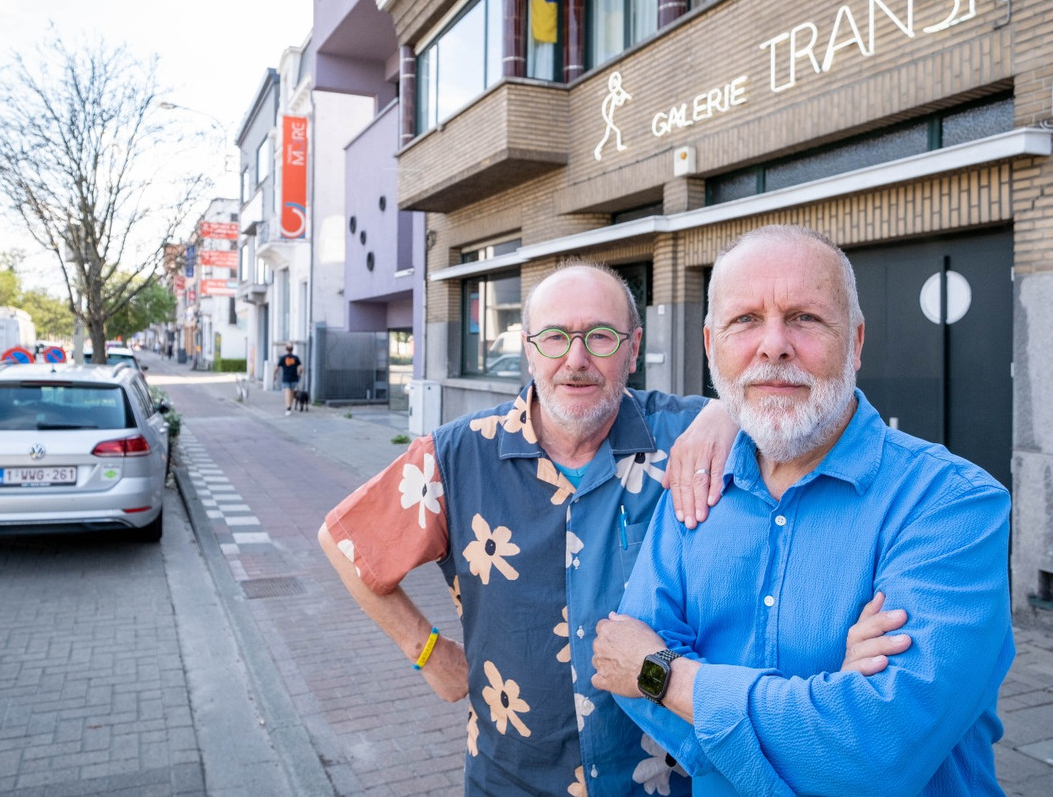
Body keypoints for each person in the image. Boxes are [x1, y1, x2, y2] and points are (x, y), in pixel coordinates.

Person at [591, 225, 1014, 796]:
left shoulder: (952, 505)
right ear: (711, 345)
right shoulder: (695, 483)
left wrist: (667, 677)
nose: (773, 345)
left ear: (857, 342)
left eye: (805, 318)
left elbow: (876, 750)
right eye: (745, 320)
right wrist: (822, 714)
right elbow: (626, 669)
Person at [319, 260, 752, 795]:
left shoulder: (688, 437)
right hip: (511, 780)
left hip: (665, 783)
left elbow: (797, 406)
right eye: (554, 337)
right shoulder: (458, 456)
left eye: (600, 337)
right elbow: (345, 543)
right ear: (528, 348)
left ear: (633, 348)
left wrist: (731, 407)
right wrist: (426, 652)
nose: (576, 360)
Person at [274, 343, 303, 416]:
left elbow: (276, 368)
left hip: (286, 378)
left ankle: (288, 408)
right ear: (292, 349)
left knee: (287, 392)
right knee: (292, 393)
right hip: (294, 377)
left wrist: (275, 375)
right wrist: (299, 375)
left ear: (286, 349)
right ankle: (290, 406)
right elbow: (301, 368)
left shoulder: (283, 358)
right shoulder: (296, 358)